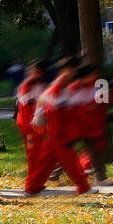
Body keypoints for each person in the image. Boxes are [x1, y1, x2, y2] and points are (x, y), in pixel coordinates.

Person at [24, 57, 90, 197]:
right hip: (58, 131)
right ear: (65, 69)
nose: (74, 72)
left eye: (74, 69)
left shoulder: (61, 84)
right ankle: (83, 187)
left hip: (56, 131)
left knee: (45, 162)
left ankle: (32, 187)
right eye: (72, 69)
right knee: (69, 161)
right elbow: (55, 109)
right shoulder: (59, 85)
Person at [15, 61, 49, 193]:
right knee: (32, 155)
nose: (35, 74)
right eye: (34, 71)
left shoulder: (40, 84)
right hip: (28, 128)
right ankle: (30, 185)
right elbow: (25, 106)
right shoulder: (26, 86)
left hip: (36, 127)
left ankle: (35, 182)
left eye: (38, 71)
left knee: (38, 154)